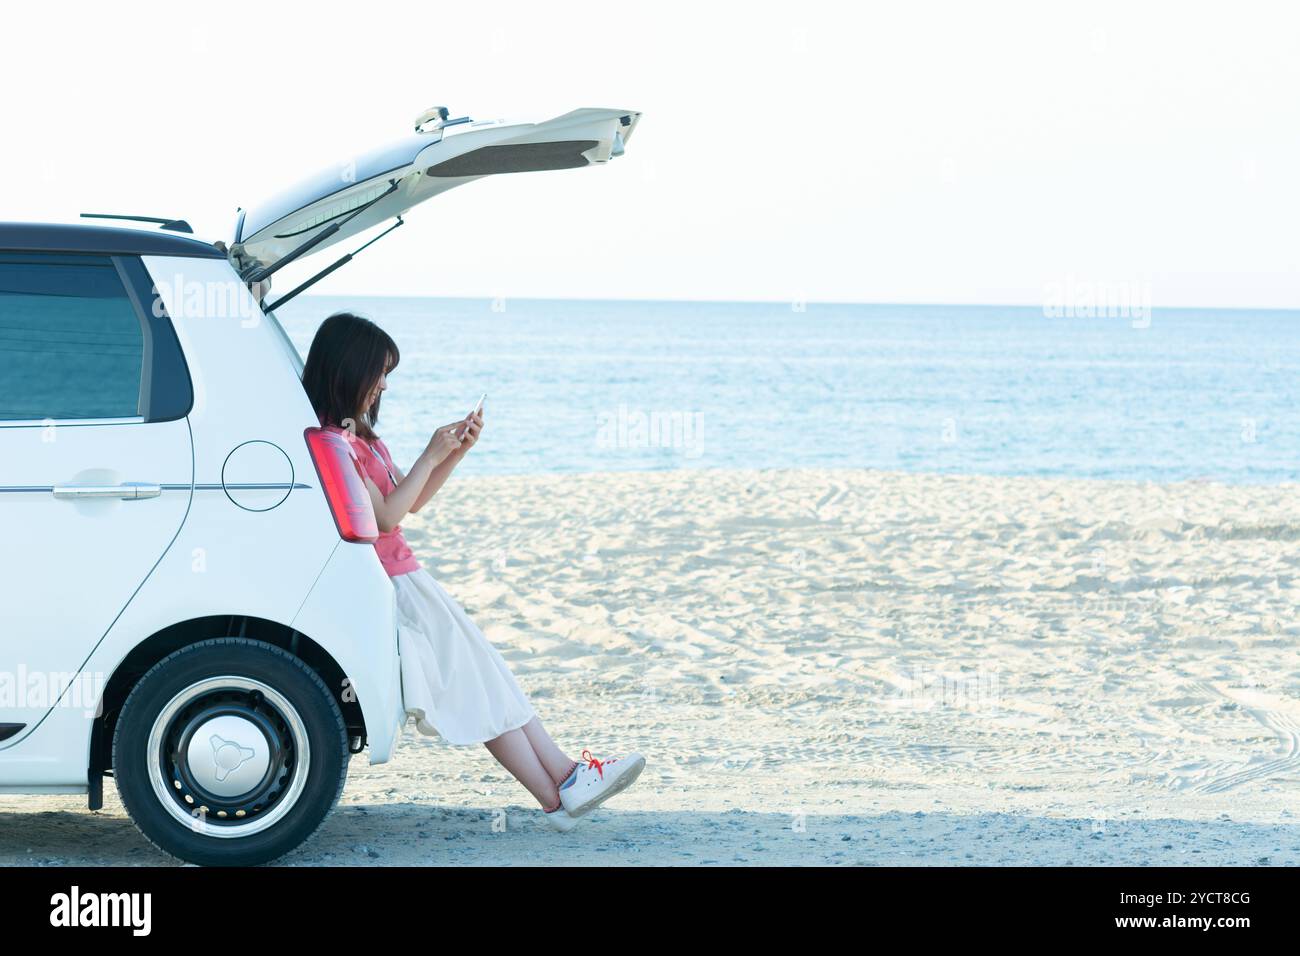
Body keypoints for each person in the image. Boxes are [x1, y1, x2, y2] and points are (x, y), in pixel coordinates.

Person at [300, 311, 644, 831]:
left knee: (485, 675)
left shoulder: (362, 439)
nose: (384, 385)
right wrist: (429, 453)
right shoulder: (335, 441)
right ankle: (562, 787)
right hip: (393, 583)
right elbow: (386, 518)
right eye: (380, 372)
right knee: (478, 682)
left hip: (407, 577)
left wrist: (455, 453)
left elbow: (411, 502)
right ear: (350, 369)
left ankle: (563, 788)